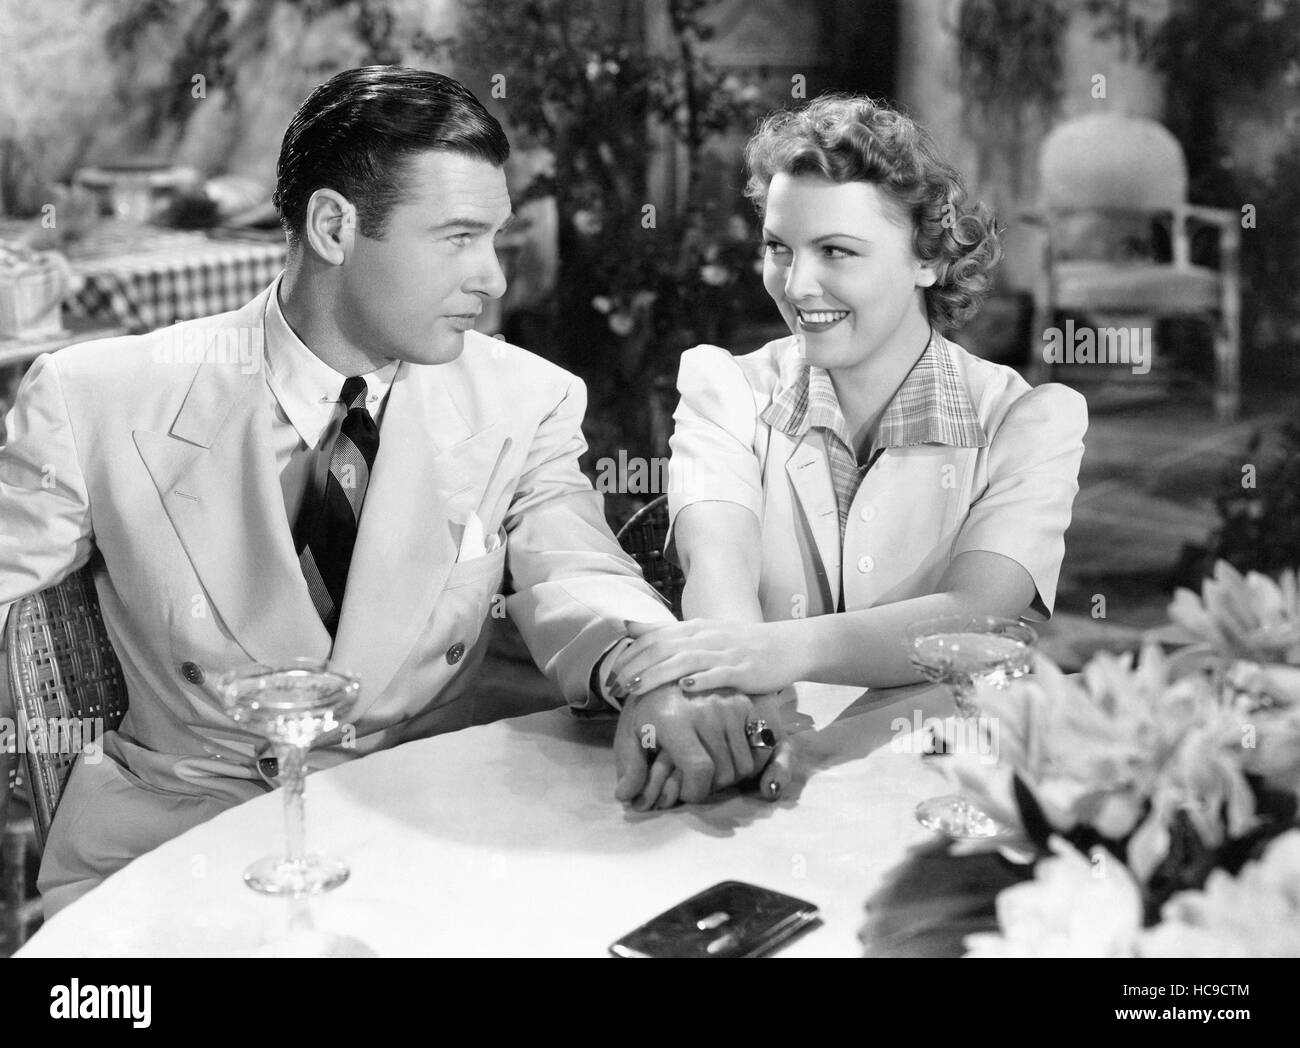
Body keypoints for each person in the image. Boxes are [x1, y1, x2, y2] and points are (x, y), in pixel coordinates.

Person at [0, 66, 785, 917]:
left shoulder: (527, 398)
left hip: (422, 838)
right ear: (334, 226)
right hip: (174, 860)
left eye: (496, 237)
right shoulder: (98, 399)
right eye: (456, 238)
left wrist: (656, 673)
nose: (493, 277)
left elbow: (572, 566)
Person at [612, 95, 1087, 702]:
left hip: (948, 765)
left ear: (929, 259)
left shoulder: (1030, 422)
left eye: (836, 250)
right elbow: (719, 586)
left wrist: (779, 651)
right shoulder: (724, 391)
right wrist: (747, 715)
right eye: (779, 247)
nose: (796, 285)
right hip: (774, 739)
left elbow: (973, 617)